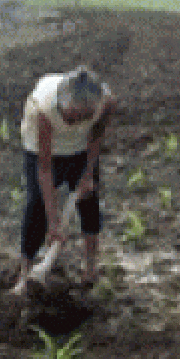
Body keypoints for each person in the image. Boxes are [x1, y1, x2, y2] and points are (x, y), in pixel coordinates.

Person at [15, 66, 117, 290]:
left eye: (82, 116)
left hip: (80, 149)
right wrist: (53, 223)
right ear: (62, 103)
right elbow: (44, 169)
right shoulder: (44, 108)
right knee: (37, 206)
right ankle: (26, 275)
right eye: (71, 115)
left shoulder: (106, 103)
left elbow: (95, 137)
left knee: (89, 201)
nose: (74, 120)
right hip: (39, 149)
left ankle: (90, 268)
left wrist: (88, 174)